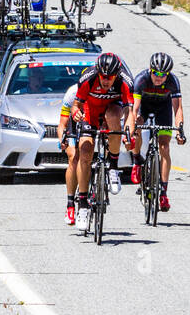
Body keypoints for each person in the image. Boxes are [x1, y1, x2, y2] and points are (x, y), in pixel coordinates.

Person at [71, 52, 134, 233]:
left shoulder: (125, 81)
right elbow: (76, 105)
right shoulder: (88, 78)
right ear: (98, 72)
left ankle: (113, 166)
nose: (106, 80)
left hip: (112, 110)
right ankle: (83, 204)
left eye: (110, 77)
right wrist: (76, 113)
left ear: (117, 74)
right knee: (85, 152)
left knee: (113, 115)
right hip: (90, 111)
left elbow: (130, 112)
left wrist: (129, 133)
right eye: (103, 76)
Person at [128, 51, 186, 210]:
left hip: (163, 109)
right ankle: (136, 161)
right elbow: (134, 108)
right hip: (144, 107)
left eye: (163, 74)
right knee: (137, 127)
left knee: (164, 147)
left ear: (168, 74)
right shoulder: (141, 79)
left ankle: (163, 193)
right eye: (156, 73)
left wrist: (180, 130)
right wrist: (134, 124)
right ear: (150, 69)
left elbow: (178, 109)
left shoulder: (173, 81)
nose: (159, 77)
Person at [57, 81, 80, 225]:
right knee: (73, 158)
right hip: (75, 125)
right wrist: (62, 139)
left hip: (95, 120)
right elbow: (62, 124)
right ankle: (70, 204)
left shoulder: (103, 89)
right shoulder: (72, 93)